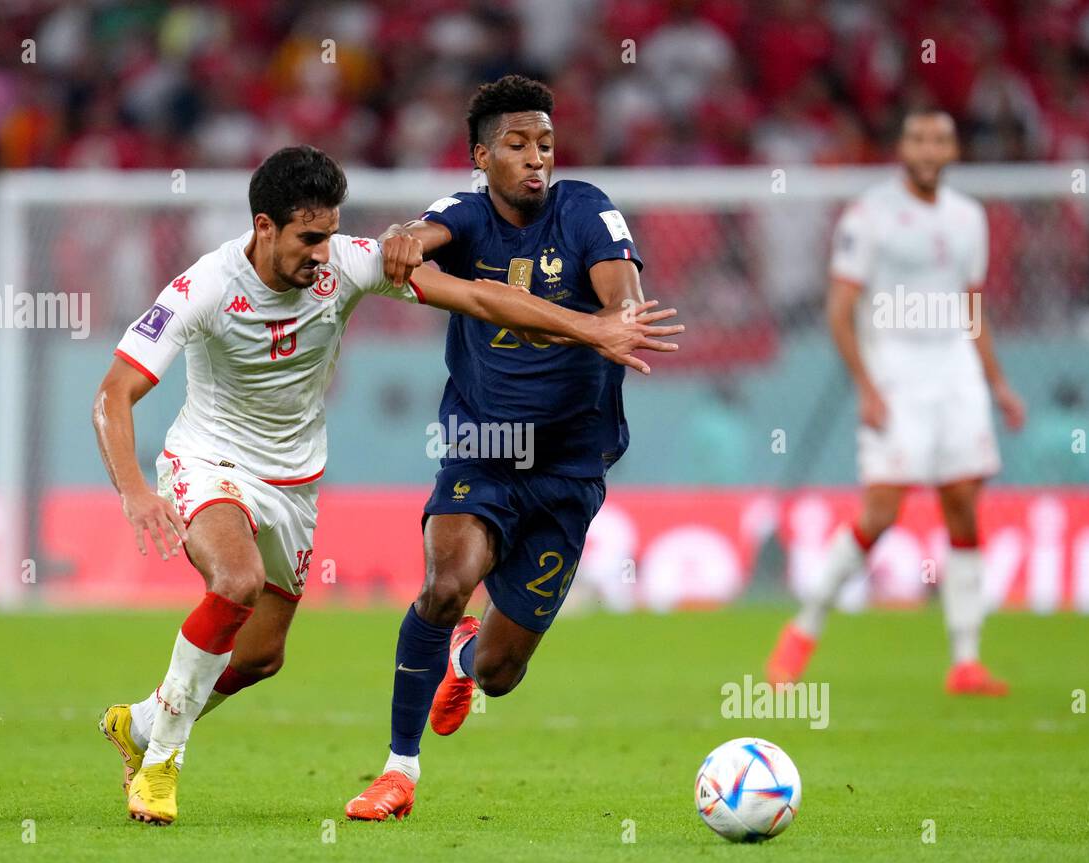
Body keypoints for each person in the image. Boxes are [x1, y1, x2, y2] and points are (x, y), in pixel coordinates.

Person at [92, 144, 682, 825]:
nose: (323, 252)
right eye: (309, 238)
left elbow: (480, 296)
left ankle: (139, 721)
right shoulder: (203, 287)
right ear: (264, 228)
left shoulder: (344, 263)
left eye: (330, 233)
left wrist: (592, 326)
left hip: (294, 483)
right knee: (236, 580)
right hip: (208, 462)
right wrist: (136, 490)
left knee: (260, 657)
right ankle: (162, 760)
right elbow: (114, 393)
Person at [344, 76, 664, 821]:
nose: (536, 159)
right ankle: (398, 771)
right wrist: (401, 240)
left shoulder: (586, 210)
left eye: (545, 144)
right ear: (481, 156)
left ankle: (462, 659)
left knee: (499, 672)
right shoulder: (463, 214)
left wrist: (618, 315)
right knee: (447, 579)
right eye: (517, 145)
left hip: (571, 466)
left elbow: (622, 302)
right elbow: (420, 238)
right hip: (482, 444)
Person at [765, 110, 1026, 696]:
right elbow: (840, 308)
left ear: (953, 149)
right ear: (902, 148)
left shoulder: (969, 218)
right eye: (917, 138)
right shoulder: (870, 216)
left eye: (939, 139)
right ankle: (802, 629)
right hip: (896, 379)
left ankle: (966, 660)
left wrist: (998, 383)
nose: (929, 149)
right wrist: (868, 386)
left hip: (956, 377)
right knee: (881, 510)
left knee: (962, 503)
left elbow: (972, 307)